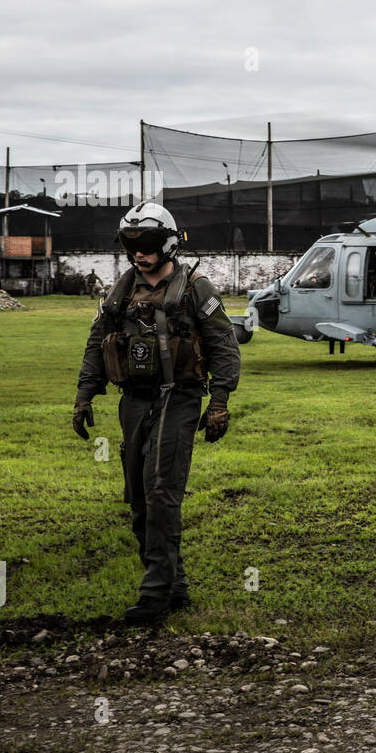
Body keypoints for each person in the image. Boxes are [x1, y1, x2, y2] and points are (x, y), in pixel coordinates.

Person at [72, 202, 240, 624]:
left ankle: (155, 595)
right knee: (140, 500)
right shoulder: (120, 291)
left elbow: (224, 347)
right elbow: (97, 343)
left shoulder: (196, 289)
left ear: (166, 243)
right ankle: (176, 586)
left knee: (162, 491)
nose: (138, 253)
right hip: (134, 402)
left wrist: (219, 402)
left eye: (145, 244)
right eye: (131, 244)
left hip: (178, 399)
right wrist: (84, 395)